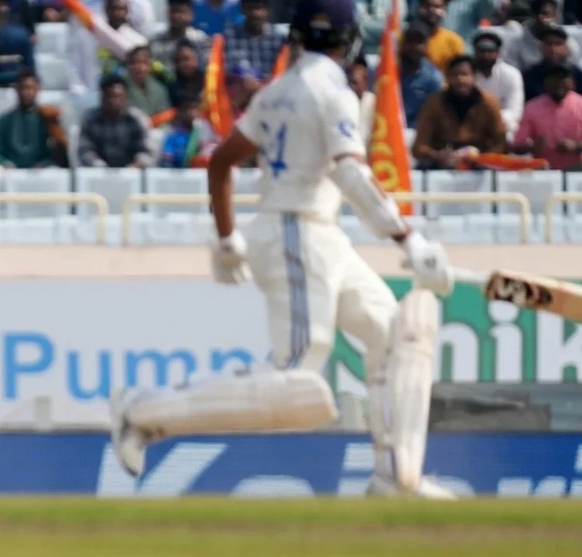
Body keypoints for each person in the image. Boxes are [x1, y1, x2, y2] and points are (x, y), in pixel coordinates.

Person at [108, 0, 458, 500]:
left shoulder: (278, 91)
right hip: (296, 233)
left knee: (392, 332)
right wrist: (409, 239)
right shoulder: (333, 90)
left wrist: (229, 237)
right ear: (350, 41)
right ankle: (142, 410)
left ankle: (392, 476)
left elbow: (222, 161)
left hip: (318, 233)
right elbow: (350, 171)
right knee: (297, 384)